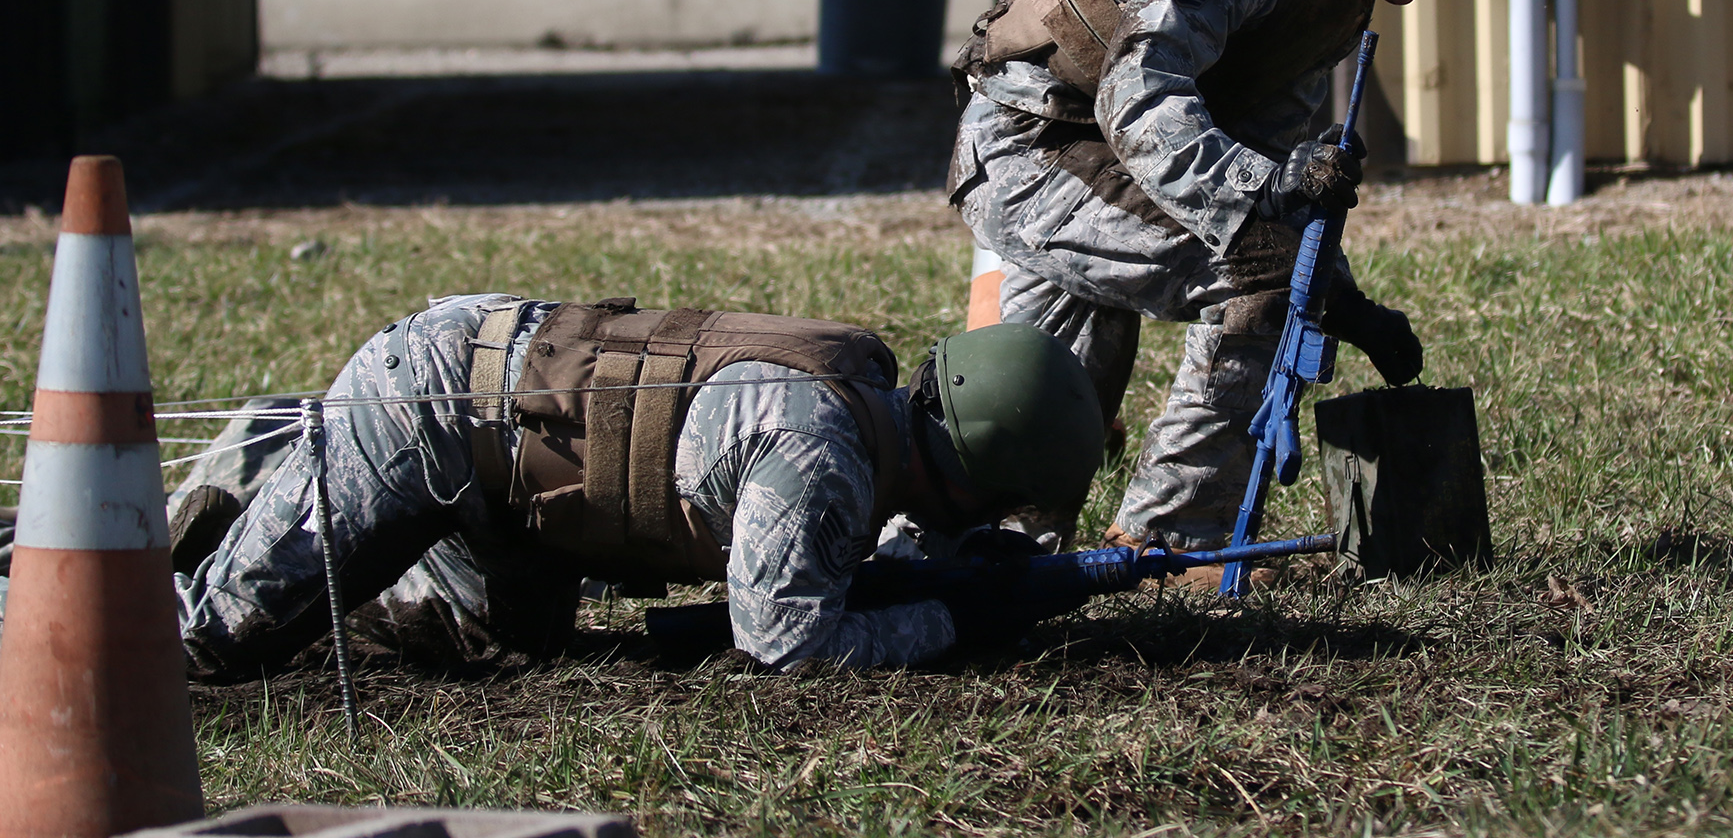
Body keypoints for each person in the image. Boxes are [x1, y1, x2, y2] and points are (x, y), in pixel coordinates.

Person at [949, 0, 1492, 551]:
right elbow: (1138, 99)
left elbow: (1264, 174)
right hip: (1031, 147)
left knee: (1029, 421)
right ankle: (1176, 537)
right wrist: (1281, 225)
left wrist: (1347, 302)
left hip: (1101, 159)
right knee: (1262, 284)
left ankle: (971, 543)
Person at [166, 299, 1104, 673]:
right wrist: (952, 622)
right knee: (207, 642)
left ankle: (272, 516)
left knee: (488, 646)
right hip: (428, 406)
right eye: (998, 506)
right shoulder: (820, 456)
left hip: (508, 480)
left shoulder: (870, 401)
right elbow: (786, 643)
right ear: (965, 474)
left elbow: (837, 562)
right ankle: (137, 548)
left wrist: (944, 570)